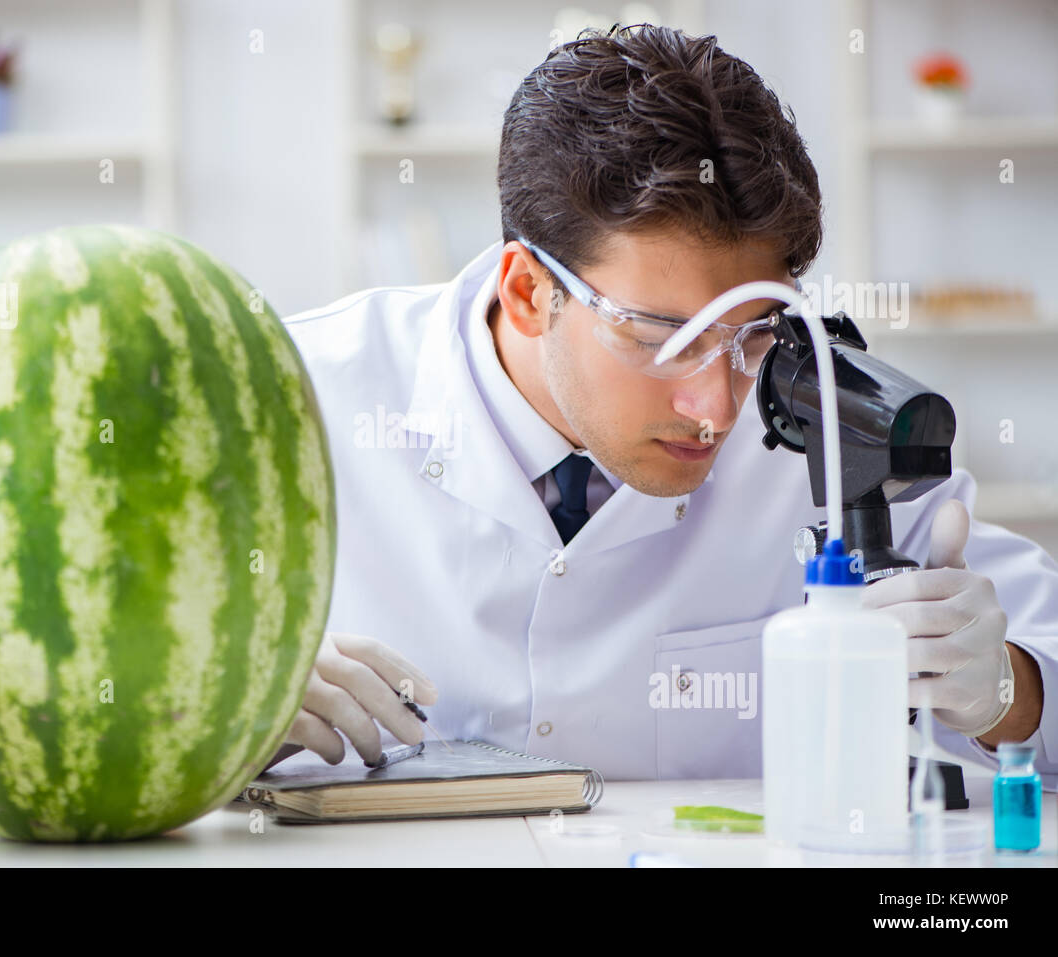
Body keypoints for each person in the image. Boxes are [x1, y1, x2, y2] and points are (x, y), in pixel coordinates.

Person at [268, 24, 1058, 782]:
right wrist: (233, 710)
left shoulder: (823, 426)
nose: (715, 403)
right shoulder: (295, 399)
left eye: (750, 334)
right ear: (527, 292)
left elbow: (1040, 656)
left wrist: (1006, 692)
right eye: (659, 336)